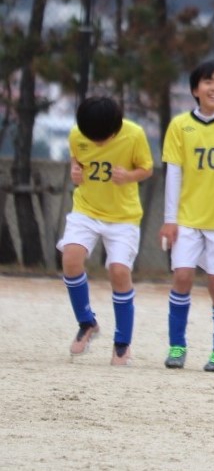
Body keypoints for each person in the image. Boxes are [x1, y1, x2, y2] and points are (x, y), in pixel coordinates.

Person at [59, 95, 154, 366]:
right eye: (93, 138)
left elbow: (146, 168)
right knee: (71, 258)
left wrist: (129, 176)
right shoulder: (77, 134)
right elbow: (76, 160)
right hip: (87, 208)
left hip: (123, 215)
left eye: (104, 138)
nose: (98, 143)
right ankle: (87, 323)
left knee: (119, 271)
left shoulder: (134, 134)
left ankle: (123, 343)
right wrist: (75, 171)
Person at [159, 59, 214, 372]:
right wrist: (170, 219)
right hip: (187, 220)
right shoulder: (180, 126)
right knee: (182, 276)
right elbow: (173, 175)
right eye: (208, 81)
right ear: (195, 89)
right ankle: (177, 346)